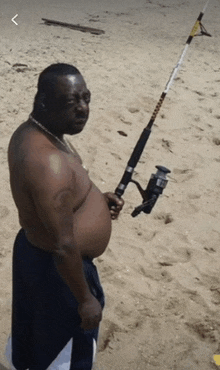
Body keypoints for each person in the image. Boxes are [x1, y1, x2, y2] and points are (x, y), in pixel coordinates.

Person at [5, 63, 124, 370]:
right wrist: (85, 299)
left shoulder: (38, 131)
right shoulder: (47, 161)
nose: (83, 109)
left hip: (36, 254)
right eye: (73, 102)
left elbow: (56, 198)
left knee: (30, 346)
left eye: (86, 98)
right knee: (62, 357)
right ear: (43, 101)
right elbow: (63, 245)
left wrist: (96, 199)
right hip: (59, 274)